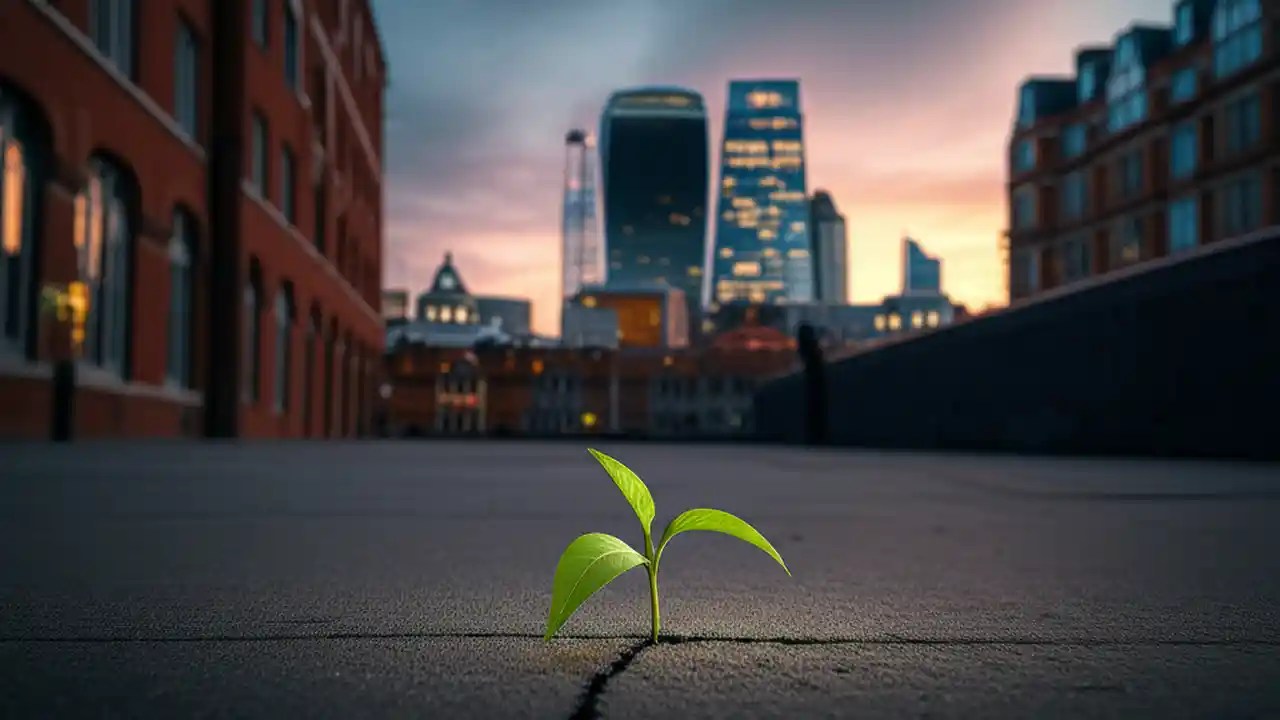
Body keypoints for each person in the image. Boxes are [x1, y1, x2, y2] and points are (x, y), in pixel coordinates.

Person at [796, 323, 829, 445]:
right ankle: (818, 436)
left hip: (812, 383)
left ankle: (813, 436)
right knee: (817, 410)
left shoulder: (804, 350)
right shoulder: (814, 351)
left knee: (812, 410)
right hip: (817, 383)